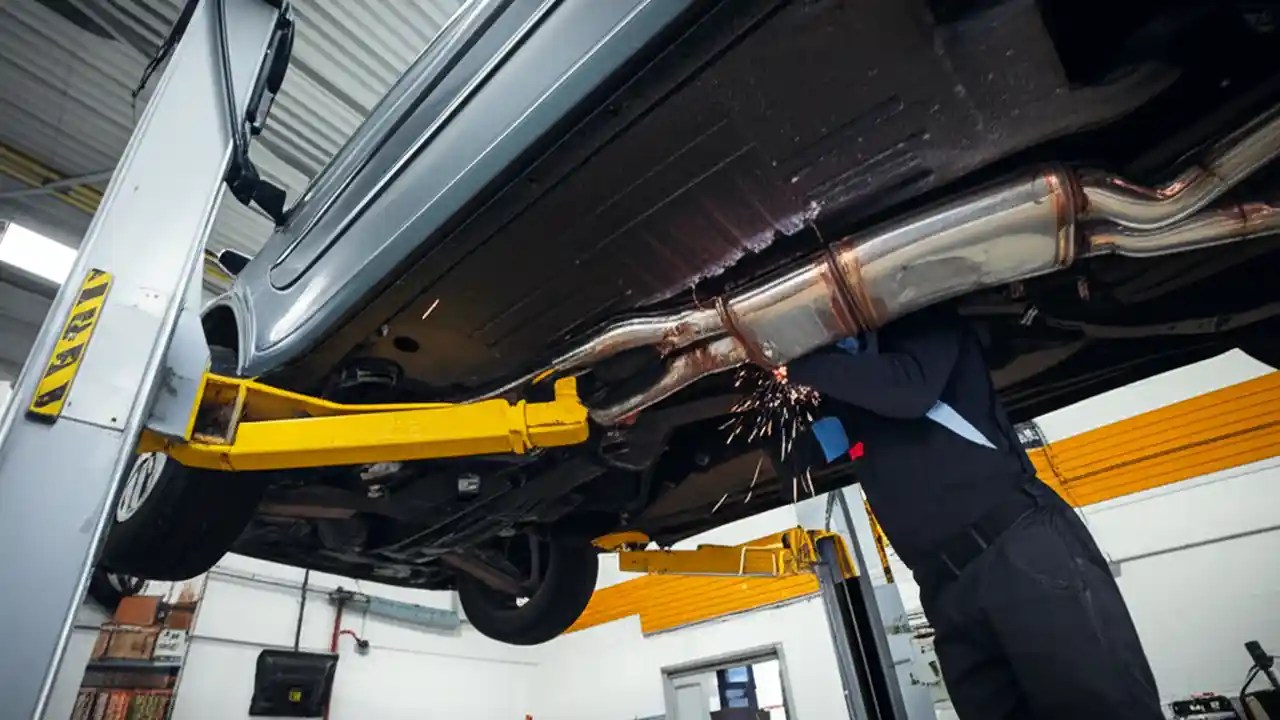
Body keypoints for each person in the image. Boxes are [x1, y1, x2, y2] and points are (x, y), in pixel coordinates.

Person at [770, 306, 1163, 719]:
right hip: (944, 589)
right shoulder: (855, 390)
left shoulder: (921, 322)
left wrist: (802, 366)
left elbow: (910, 393)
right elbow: (809, 451)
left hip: (1017, 554)